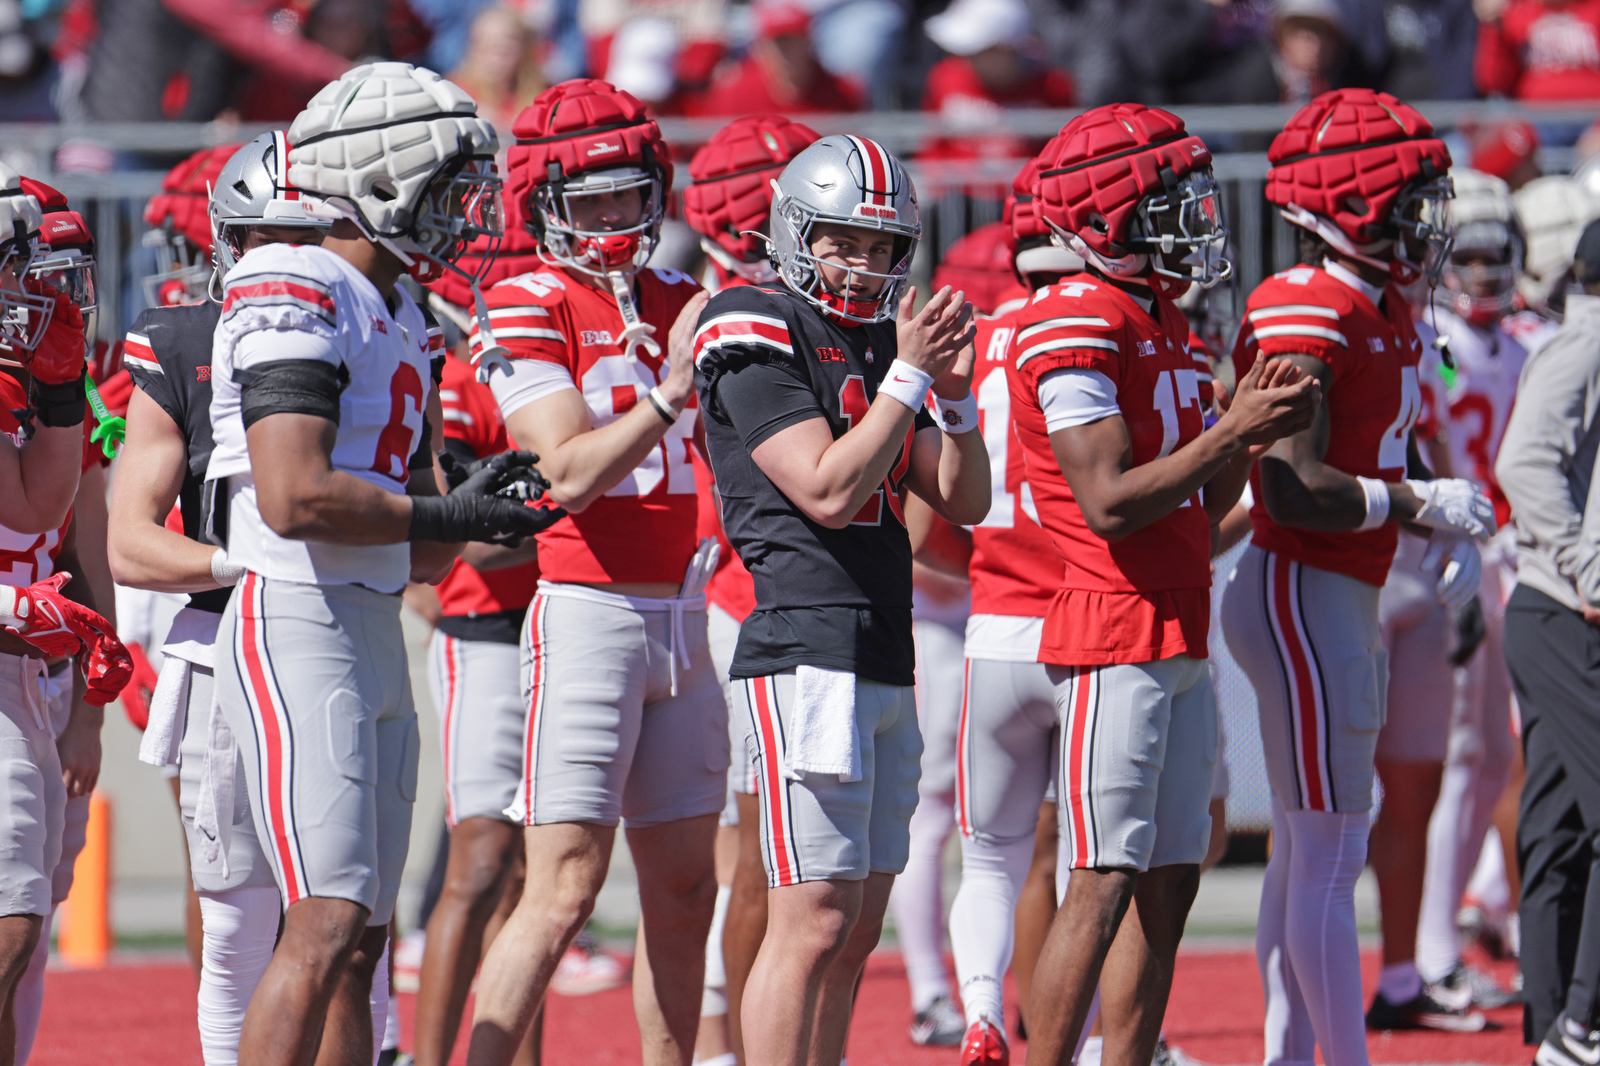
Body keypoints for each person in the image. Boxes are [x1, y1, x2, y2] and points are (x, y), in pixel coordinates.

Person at [206, 62, 558, 1066]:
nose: (465, 214)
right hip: (295, 616)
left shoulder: (393, 304)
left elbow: (421, 545)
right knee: (318, 923)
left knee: (362, 936)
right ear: (384, 177)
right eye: (449, 187)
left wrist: (489, 510)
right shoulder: (297, 278)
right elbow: (294, 494)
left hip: (362, 622)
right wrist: (447, 505)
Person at [1006, 103, 1316, 1066]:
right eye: (1167, 202)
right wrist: (1233, 430)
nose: (1191, 219)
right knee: (1100, 874)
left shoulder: (1158, 315)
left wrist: (1255, 429)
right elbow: (1108, 502)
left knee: (1172, 874)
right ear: (1103, 216)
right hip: (1112, 624)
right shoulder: (1075, 317)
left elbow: (1197, 496)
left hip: (1177, 621)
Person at [693, 131, 990, 1066]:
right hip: (799, 636)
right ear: (792, 231)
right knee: (810, 916)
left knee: (859, 920)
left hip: (882, 637)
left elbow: (967, 498)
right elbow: (825, 487)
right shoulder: (748, 319)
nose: (863, 267)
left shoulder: (879, 341)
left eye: (881, 247)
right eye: (841, 242)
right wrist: (906, 378)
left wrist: (960, 396)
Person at [1218, 88, 1494, 1066]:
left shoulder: (1374, 302)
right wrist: (1419, 508)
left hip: (1338, 591)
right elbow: (1292, 487)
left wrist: (1428, 511)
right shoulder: (1306, 303)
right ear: (1346, 203)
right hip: (1300, 586)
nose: (1424, 223)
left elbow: (1375, 458)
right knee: (1331, 856)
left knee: (1307, 852)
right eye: (1407, 201)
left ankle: (1291, 1054)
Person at [461, 78, 724, 1066]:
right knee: (563, 885)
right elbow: (565, 472)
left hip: (688, 608)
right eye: (592, 199)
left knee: (687, 883)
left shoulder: (684, 300)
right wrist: (669, 391)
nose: (615, 219)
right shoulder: (525, 301)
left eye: (629, 194)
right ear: (543, 205)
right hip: (587, 609)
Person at [108, 133, 332, 1066]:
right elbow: (128, 538)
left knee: (349, 908)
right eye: (263, 236)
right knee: (236, 901)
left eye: (301, 237)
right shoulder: (180, 341)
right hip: (226, 635)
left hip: (338, 629)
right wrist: (245, 565)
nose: (282, 259)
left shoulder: (373, 325)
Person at [680, 112, 820, 1066]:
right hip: (736, 592)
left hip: (776, 588)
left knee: (773, 860)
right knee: (750, 859)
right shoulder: (714, 313)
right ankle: (723, 1044)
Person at [944, 157, 1081, 1066]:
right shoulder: (1102, 331)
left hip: (993, 625)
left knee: (986, 857)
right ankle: (1079, 1041)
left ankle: (982, 1010)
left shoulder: (978, 343)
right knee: (1088, 865)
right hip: (1089, 628)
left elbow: (931, 511)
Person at [0, 163, 132, 1066]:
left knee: (31, 924)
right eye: (34, 274)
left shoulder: (54, 386)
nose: (53, 296)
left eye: (64, 275)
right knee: (8, 920)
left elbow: (70, 535)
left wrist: (89, 708)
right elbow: (27, 525)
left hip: (39, 674)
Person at [1409, 168, 1539, 1016]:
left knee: (1494, 753)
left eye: (1500, 256)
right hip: (1462, 550)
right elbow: (1434, 425)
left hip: (1516, 549)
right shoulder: (1438, 340)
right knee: (1465, 755)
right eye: (1474, 254)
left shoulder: (1524, 338)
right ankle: (1433, 947)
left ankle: (1455, 934)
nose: (1487, 272)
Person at [1497, 218, 1600, 1064]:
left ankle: (1554, 1020)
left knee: (1559, 822)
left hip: (1554, 602)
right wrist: (1584, 565)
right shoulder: (1585, 344)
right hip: (1561, 606)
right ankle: (1581, 1024)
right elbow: (1523, 462)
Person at [697, 3, 862, 116]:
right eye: (777, 43)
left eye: (792, 40)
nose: (784, 52)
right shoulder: (733, 95)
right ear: (761, 47)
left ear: (808, 41)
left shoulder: (843, 92)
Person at [1475, 0, 1600, 101]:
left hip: (1592, 115)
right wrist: (1494, 26)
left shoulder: (1595, 9)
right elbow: (1495, 83)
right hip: (1534, 119)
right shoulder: (1519, 11)